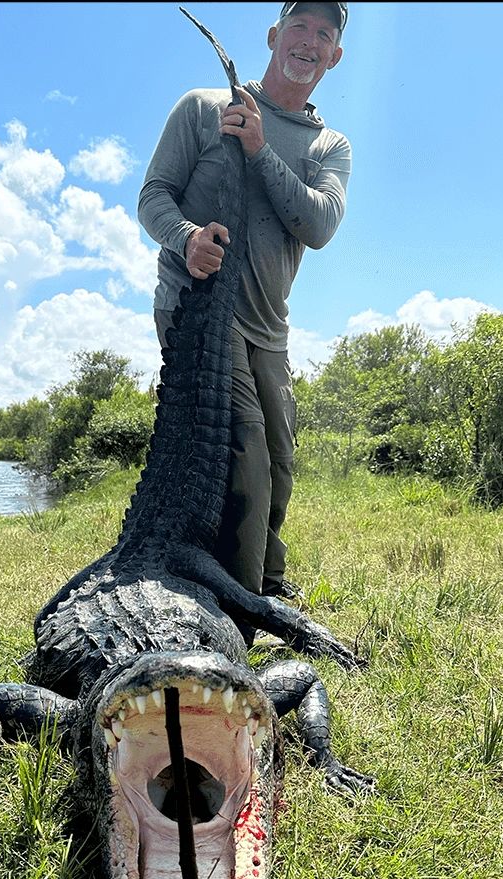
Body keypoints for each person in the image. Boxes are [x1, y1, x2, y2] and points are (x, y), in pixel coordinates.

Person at [138, 2, 350, 636]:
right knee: (247, 455)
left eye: (324, 34)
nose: (309, 42)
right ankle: (236, 616)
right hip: (201, 313)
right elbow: (153, 196)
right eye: (299, 26)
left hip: (269, 323)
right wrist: (184, 238)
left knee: (281, 461)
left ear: (335, 56)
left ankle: (267, 581)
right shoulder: (202, 107)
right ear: (273, 35)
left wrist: (258, 148)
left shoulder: (328, 145)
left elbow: (319, 225)